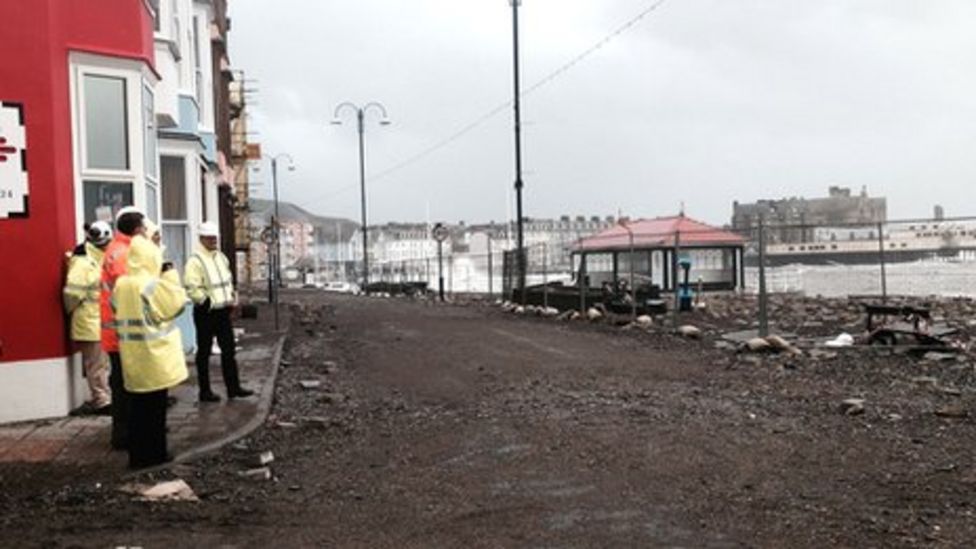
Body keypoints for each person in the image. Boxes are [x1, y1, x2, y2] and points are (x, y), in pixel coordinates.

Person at [113, 235, 188, 469]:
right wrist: (170, 275)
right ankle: (156, 455)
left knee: (136, 411)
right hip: (154, 356)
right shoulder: (150, 284)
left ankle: (137, 457)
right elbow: (175, 304)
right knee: (155, 413)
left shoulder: (122, 284)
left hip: (131, 356)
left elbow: (117, 307)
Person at [184, 221, 253, 402]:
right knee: (204, 353)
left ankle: (233, 388)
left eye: (215, 237)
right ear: (202, 239)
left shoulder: (221, 258)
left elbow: (227, 282)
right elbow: (192, 287)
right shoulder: (195, 261)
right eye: (209, 238)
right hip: (206, 312)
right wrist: (205, 302)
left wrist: (231, 300)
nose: (213, 240)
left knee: (229, 350)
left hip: (223, 311)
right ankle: (204, 391)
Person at [101, 207, 146, 450]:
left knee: (124, 382)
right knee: (123, 384)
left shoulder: (119, 249)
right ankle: (123, 434)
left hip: (119, 330)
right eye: (143, 227)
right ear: (136, 229)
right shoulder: (122, 254)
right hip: (121, 332)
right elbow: (128, 289)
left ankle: (130, 429)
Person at [63, 221, 113, 415]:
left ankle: (104, 398)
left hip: (100, 320)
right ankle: (102, 400)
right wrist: (72, 311)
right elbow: (72, 294)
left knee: (101, 364)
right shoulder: (84, 262)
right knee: (96, 364)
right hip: (90, 321)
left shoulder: (96, 258)